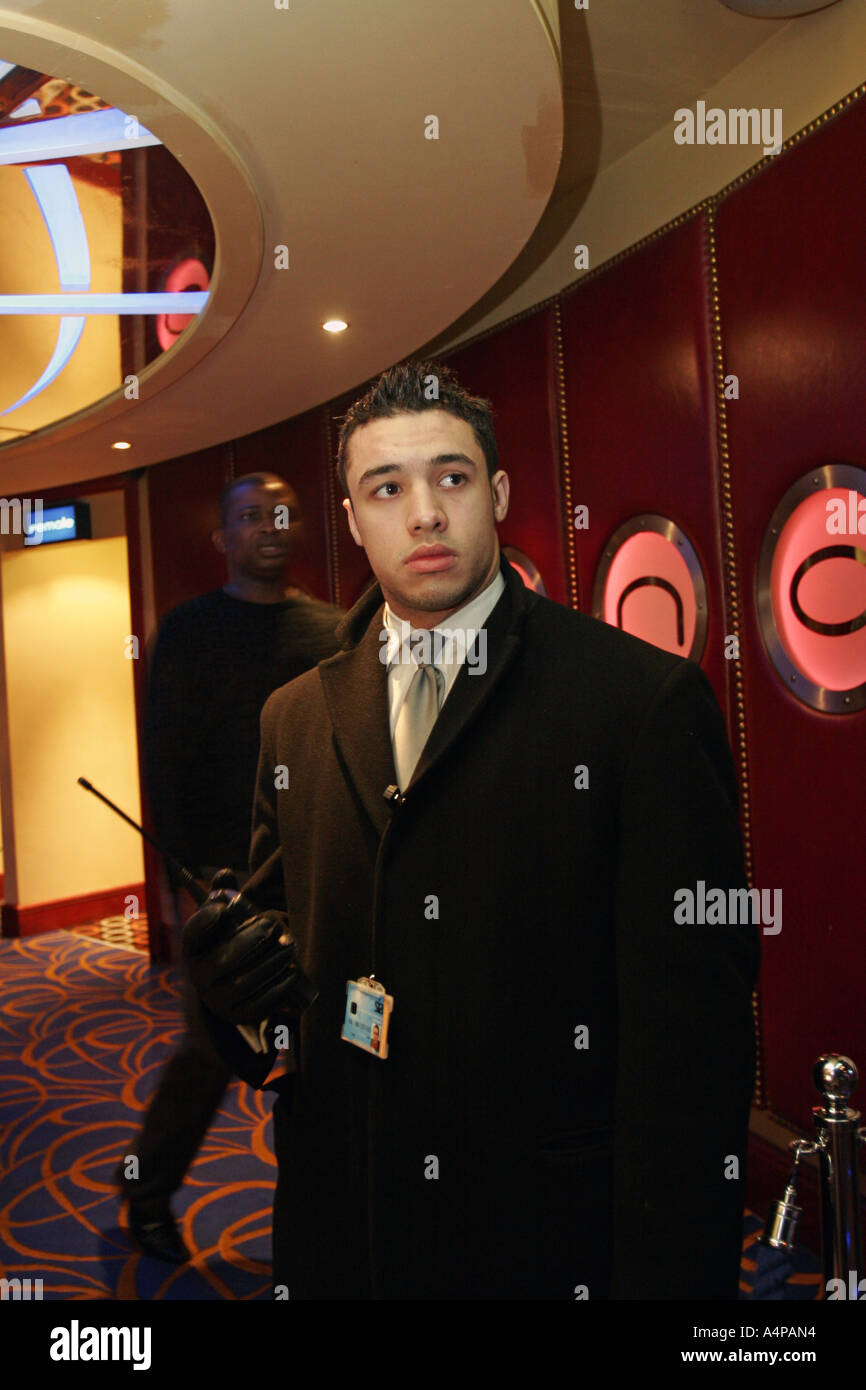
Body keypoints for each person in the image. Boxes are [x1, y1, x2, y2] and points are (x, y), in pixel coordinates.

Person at [183, 364, 760, 1299]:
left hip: (541, 1237)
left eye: (450, 479)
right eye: (387, 488)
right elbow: (282, 967)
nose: (423, 513)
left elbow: (692, 1047)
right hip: (349, 1224)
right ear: (352, 517)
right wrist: (225, 992)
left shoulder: (637, 704)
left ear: (495, 495)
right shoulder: (293, 717)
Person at [117, 471, 343, 1263]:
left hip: (317, 873)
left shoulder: (332, 629)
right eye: (249, 516)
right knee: (214, 1051)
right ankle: (145, 1191)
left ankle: (329, 1218)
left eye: (281, 511)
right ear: (223, 538)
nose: (268, 526)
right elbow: (166, 765)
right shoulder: (188, 631)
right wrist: (186, 889)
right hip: (221, 886)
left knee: (330, 1049)